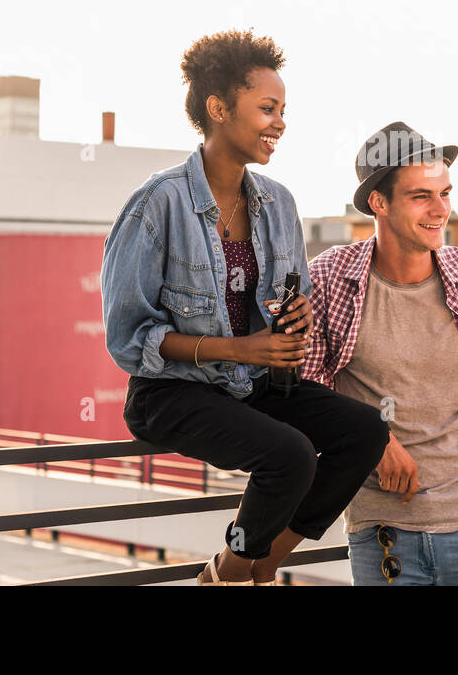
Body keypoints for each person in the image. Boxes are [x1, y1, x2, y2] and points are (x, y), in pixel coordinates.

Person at [101, 29, 389, 585]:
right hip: (173, 392)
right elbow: (129, 338)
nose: (280, 122)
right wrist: (237, 347)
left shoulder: (279, 201)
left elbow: (291, 291)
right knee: (291, 456)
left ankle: (262, 562)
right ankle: (229, 574)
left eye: (283, 109)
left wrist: (298, 312)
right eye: (267, 108)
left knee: (366, 431)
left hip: (253, 383)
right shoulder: (157, 203)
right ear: (218, 108)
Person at [304, 122, 458, 586]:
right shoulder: (329, 279)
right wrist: (373, 440)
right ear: (379, 202)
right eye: (420, 196)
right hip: (382, 534)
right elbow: (304, 389)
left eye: (445, 193)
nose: (440, 210)